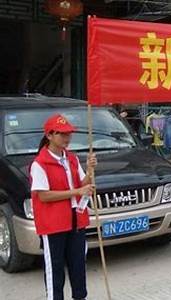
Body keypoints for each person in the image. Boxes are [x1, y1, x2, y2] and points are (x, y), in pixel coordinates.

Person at [30, 114, 97, 300]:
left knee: (78, 267)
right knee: (55, 271)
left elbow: (82, 183)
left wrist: (90, 170)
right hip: (53, 225)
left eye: (69, 134)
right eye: (62, 134)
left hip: (76, 222)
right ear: (50, 135)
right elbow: (43, 195)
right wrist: (77, 192)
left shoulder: (72, 159)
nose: (67, 138)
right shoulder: (40, 163)